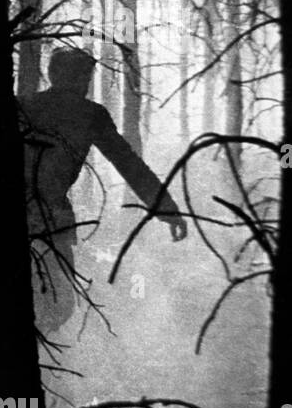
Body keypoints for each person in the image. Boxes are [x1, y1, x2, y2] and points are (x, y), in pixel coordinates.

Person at [19, 47, 187, 331]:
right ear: (64, 76)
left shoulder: (24, 105)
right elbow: (129, 164)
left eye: (86, 77)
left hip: (34, 220)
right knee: (55, 305)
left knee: (52, 305)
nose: (84, 84)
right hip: (45, 223)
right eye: (82, 77)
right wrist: (166, 208)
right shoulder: (86, 114)